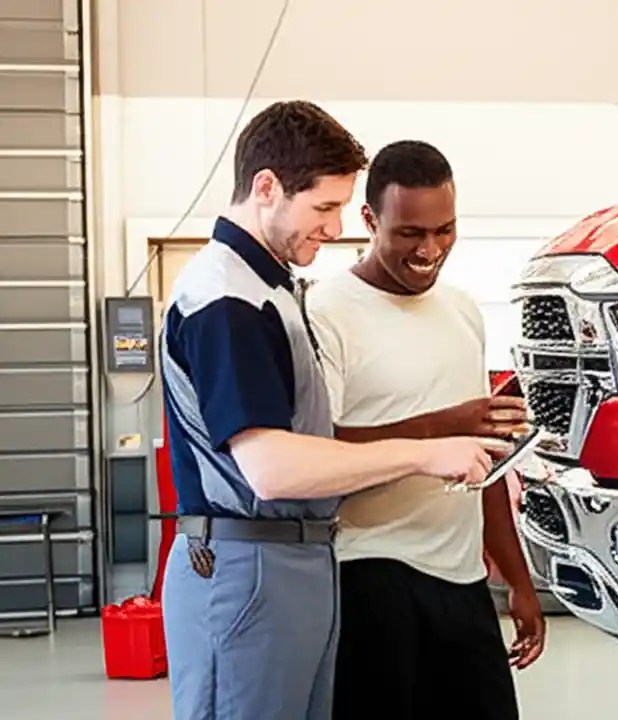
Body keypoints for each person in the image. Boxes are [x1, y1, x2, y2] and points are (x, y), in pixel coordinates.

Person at [158, 103, 499, 720]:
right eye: (323, 208)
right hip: (246, 561)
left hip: (296, 560)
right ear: (267, 188)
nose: (336, 227)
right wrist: (427, 449)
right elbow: (271, 468)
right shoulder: (227, 300)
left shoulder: (275, 290)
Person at [306, 139, 546, 720]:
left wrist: (516, 577)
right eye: (411, 233)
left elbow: (483, 459)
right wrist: (443, 429)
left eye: (444, 230)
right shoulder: (327, 312)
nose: (430, 249)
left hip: (461, 577)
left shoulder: (461, 310)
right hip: (370, 571)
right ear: (369, 220)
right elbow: (318, 453)